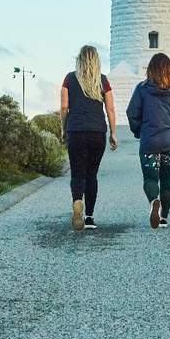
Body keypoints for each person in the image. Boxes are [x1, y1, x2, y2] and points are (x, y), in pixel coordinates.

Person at [126, 52, 170, 229]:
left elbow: (132, 113)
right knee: (167, 179)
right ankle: (163, 218)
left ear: (150, 70)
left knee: (150, 179)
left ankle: (154, 201)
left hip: (149, 142)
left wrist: (139, 131)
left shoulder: (141, 88)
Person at [60, 45, 118, 231]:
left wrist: (63, 129)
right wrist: (113, 133)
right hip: (97, 132)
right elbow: (110, 108)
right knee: (91, 175)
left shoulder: (70, 78)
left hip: (75, 130)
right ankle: (90, 218)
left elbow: (63, 107)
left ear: (79, 59)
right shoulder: (103, 81)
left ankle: (78, 201)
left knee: (77, 173)